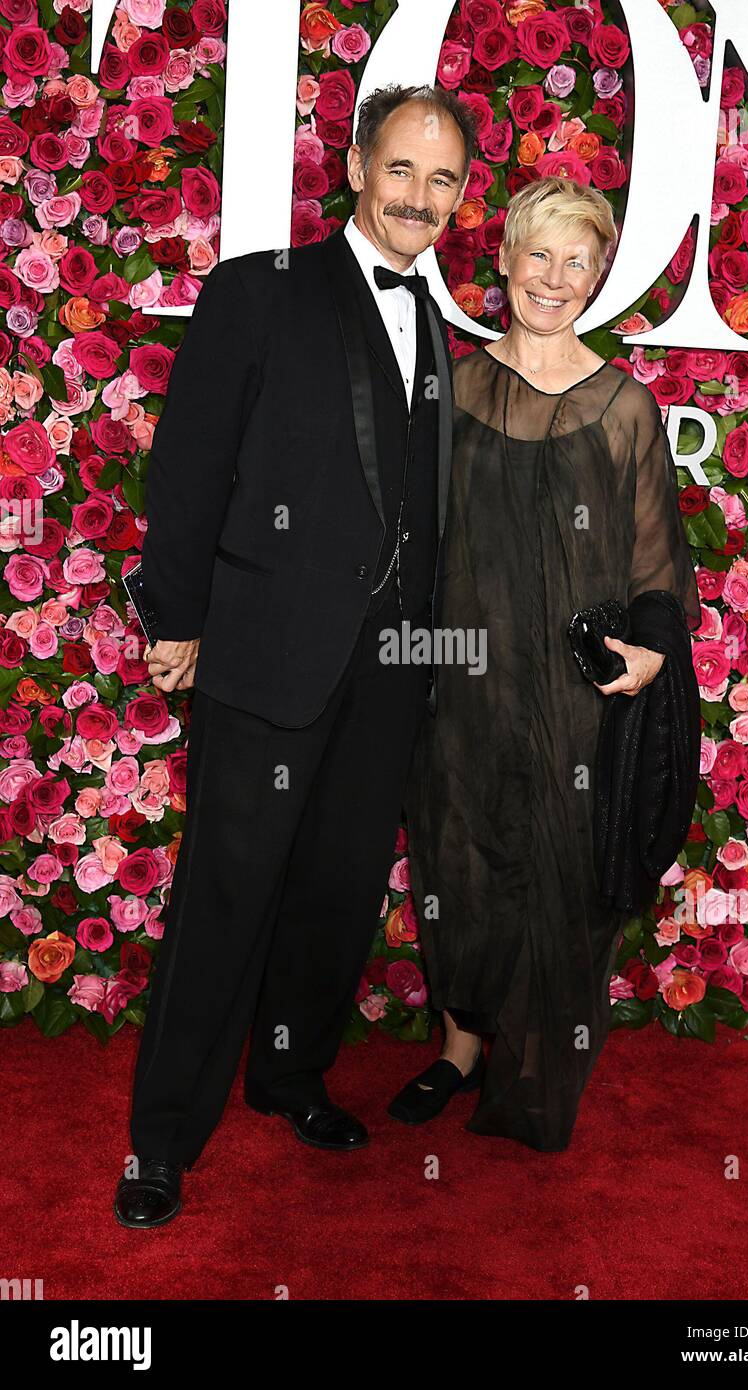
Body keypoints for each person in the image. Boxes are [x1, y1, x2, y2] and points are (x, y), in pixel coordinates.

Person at [114, 84, 476, 1228]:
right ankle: (162, 1140)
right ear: (359, 167)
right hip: (267, 656)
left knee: (333, 893)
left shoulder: (447, 331)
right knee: (223, 899)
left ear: (461, 198)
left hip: (389, 676)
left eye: (444, 178)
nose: (420, 195)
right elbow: (187, 469)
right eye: (403, 169)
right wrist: (174, 616)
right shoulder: (257, 293)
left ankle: (285, 1076)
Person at [390, 176, 702, 1153]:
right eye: (539, 255)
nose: (553, 278)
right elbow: (408, 533)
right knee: (457, 862)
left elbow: (655, 548)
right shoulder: (450, 386)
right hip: (460, 687)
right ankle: (457, 1048)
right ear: (504, 260)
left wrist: (651, 650)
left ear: (597, 275)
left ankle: (529, 1058)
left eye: (576, 261)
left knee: (558, 879)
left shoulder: (622, 406)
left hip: (576, 700)